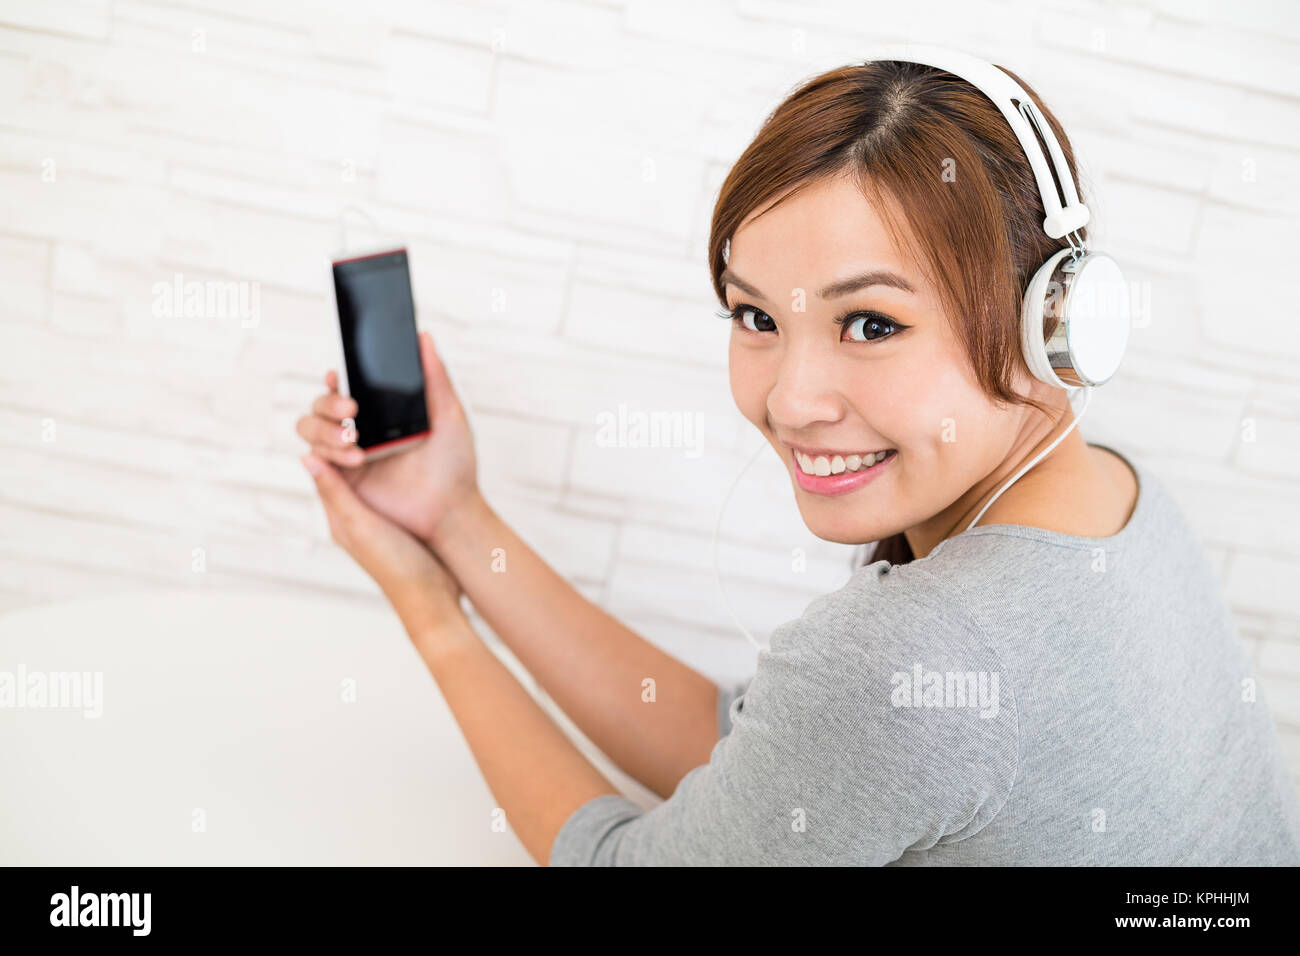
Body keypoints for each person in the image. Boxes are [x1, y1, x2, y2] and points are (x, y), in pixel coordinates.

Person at [295, 55, 1300, 865]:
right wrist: (454, 517)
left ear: (1057, 325)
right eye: (756, 317)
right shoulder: (1117, 498)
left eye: (872, 323)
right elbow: (768, 753)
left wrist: (428, 608)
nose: (789, 400)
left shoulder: (914, 658)